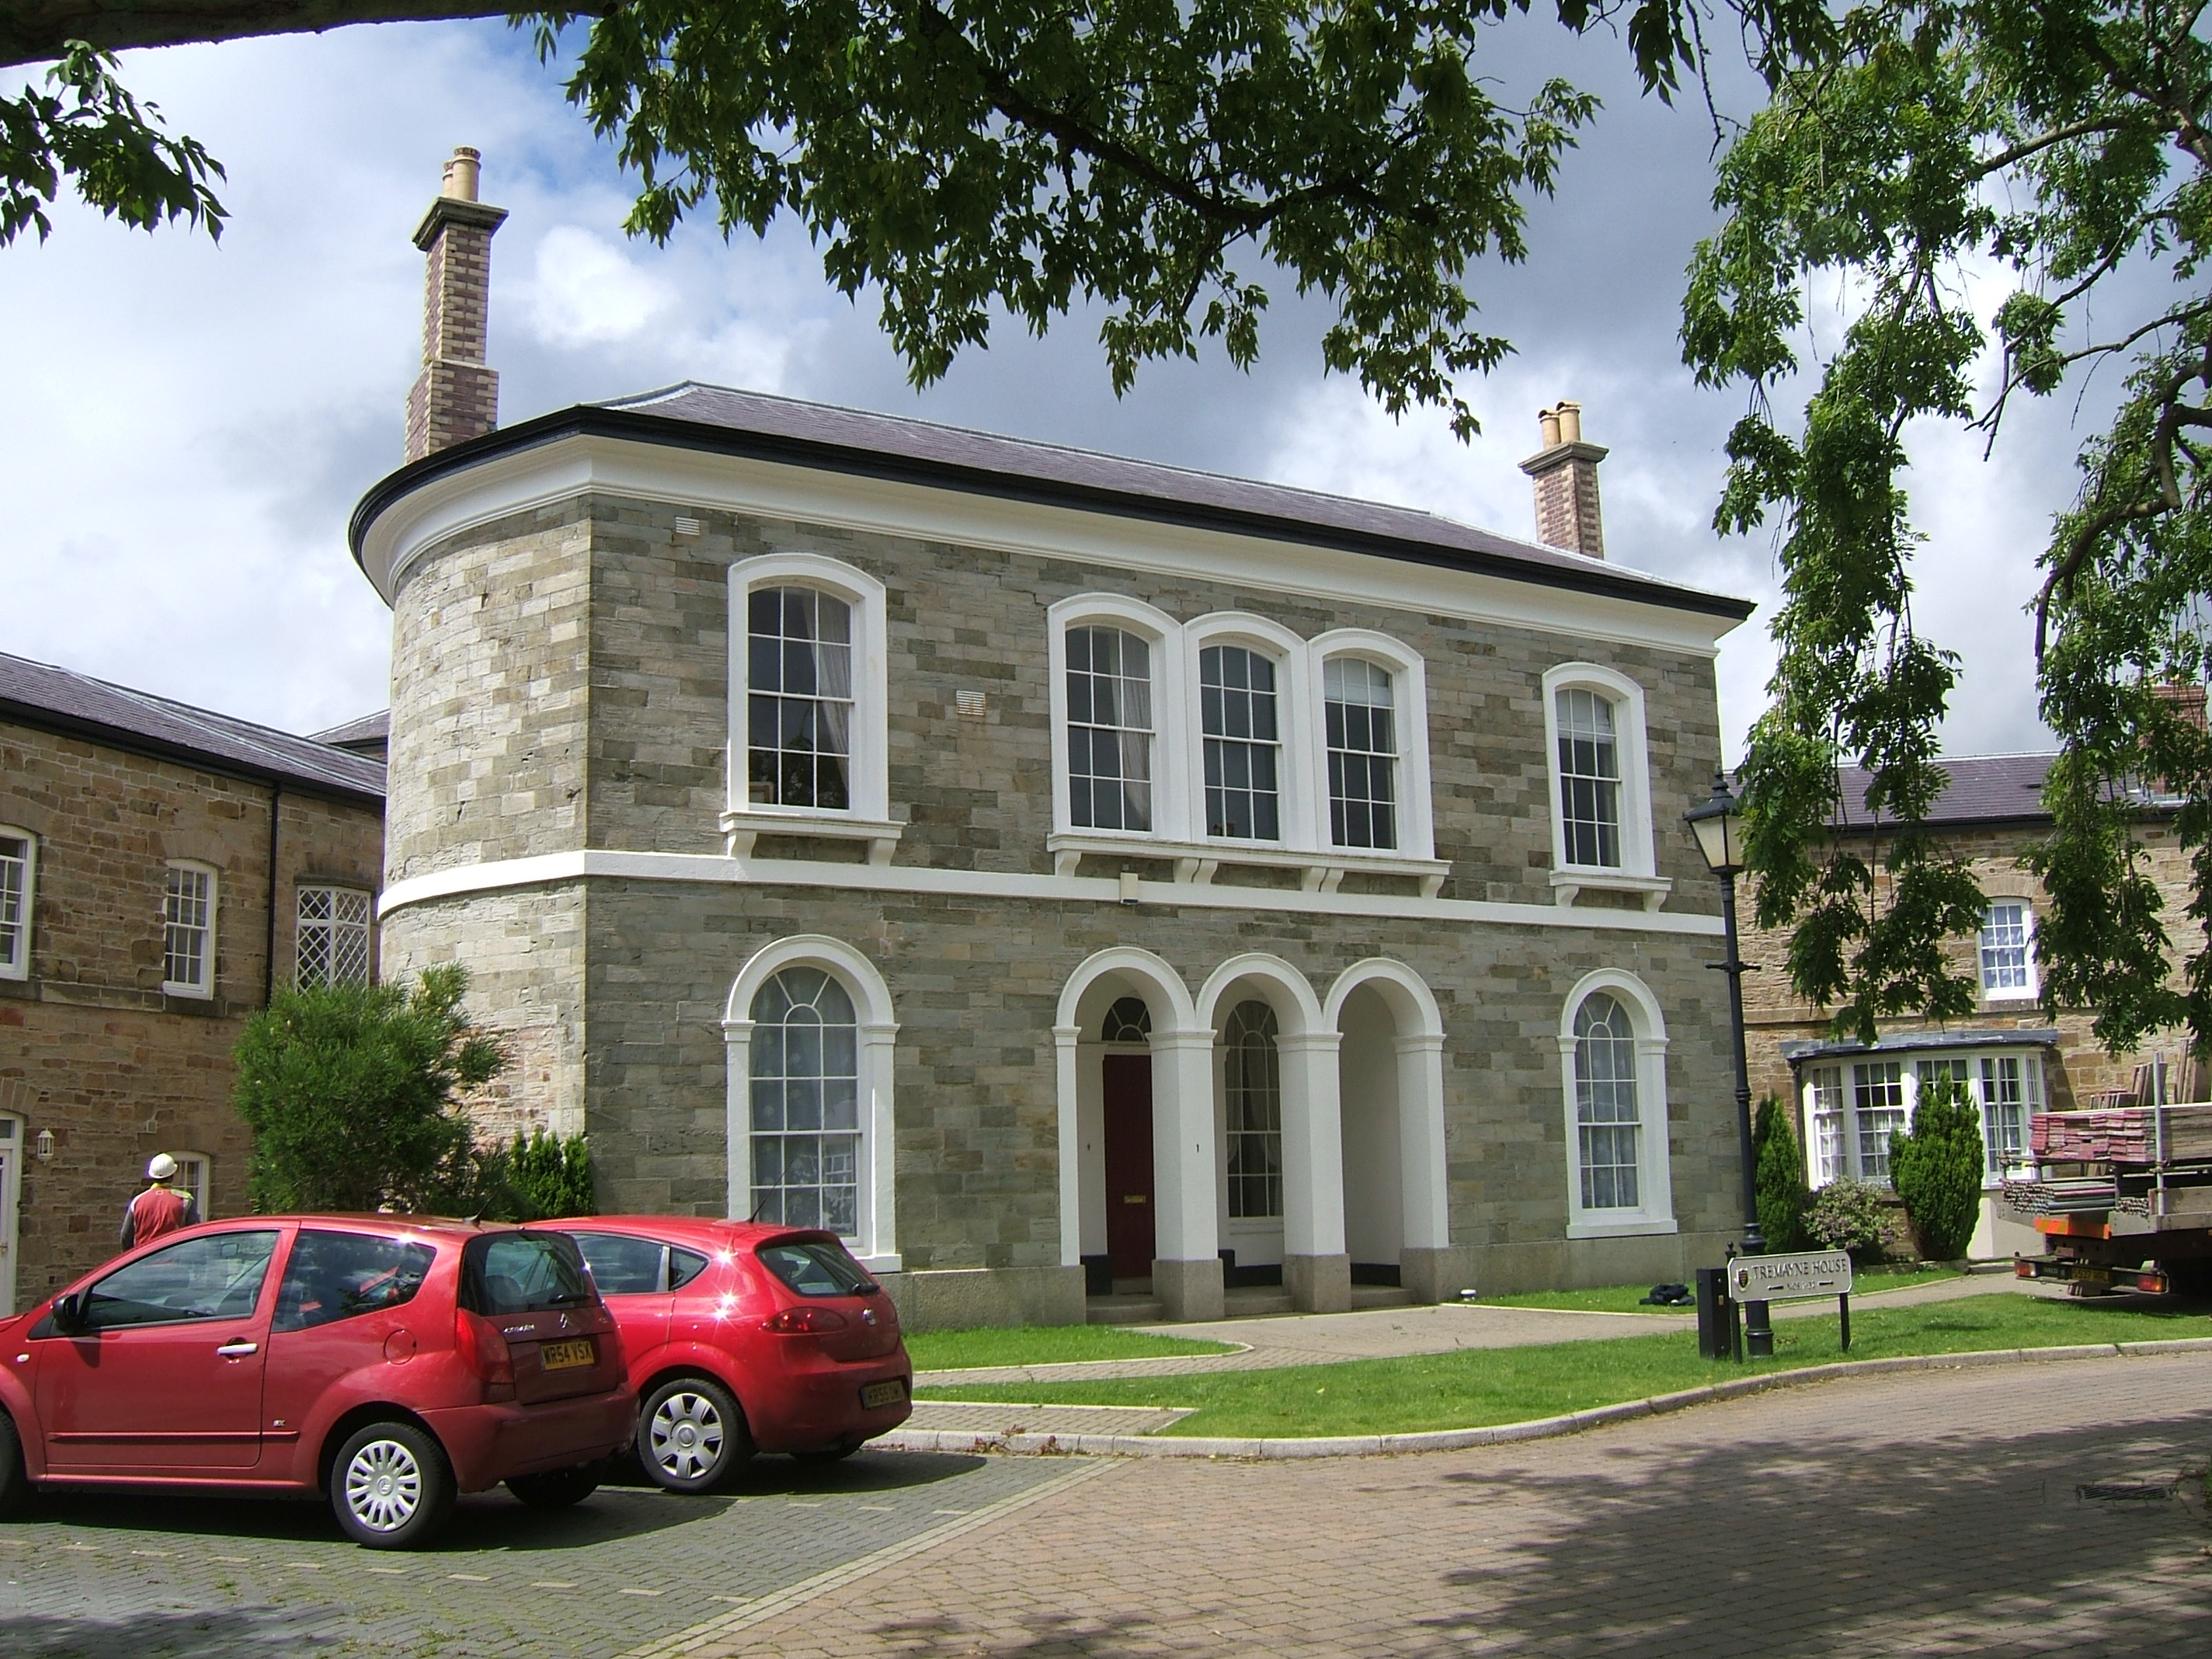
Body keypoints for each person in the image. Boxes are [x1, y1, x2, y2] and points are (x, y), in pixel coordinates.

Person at [119, 1153, 199, 1250]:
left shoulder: (138, 1201)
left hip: (144, 1260)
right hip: (174, 1261)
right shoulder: (185, 1200)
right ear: (172, 1175)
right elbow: (195, 1235)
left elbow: (126, 1236)